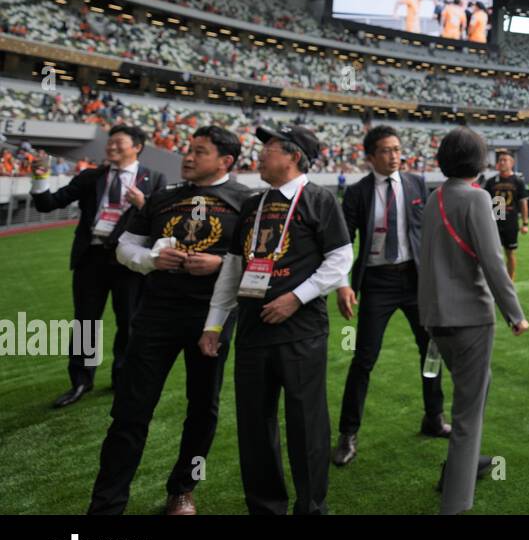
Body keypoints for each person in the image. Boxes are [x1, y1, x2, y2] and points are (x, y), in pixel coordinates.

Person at [90, 126, 252, 514]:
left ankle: (183, 489)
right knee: (130, 409)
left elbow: (265, 260)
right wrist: (151, 260)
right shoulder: (162, 198)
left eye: (200, 151)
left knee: (202, 409)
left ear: (225, 161)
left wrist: (221, 263)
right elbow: (126, 246)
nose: (188, 157)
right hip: (155, 314)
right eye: (188, 149)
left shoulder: (248, 202)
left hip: (210, 319)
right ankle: (107, 502)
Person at [200, 124, 352, 515]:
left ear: (293, 156)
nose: (261, 153)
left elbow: (340, 260)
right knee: (254, 427)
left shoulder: (319, 200)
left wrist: (295, 299)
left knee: (306, 425)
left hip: (300, 333)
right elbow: (233, 268)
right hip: (252, 331)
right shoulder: (253, 204)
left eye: (268, 147)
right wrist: (213, 324)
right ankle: (266, 508)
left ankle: (311, 506)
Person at [418, 127, 529, 514]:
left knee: (476, 391)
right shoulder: (478, 198)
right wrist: (515, 314)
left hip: (436, 318)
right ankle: (456, 502)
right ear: (479, 161)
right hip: (469, 319)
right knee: (467, 415)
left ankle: (460, 468)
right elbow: (493, 262)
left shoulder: (434, 198)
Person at [333, 126, 448, 468]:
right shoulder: (357, 193)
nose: (394, 155)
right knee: (364, 358)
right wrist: (343, 284)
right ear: (370, 156)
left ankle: (433, 417)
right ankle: (348, 433)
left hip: (415, 281)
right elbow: (342, 242)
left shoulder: (415, 184)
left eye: (397, 149)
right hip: (378, 282)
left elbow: (428, 233)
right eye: (385, 150)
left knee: (430, 351)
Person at [31, 124, 167, 407]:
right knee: (85, 322)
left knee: (129, 321)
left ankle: (123, 378)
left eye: (119, 142)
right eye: (110, 142)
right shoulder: (92, 177)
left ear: (137, 147)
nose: (111, 147)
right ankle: (81, 380)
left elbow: (163, 225)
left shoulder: (153, 179)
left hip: (129, 262)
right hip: (90, 260)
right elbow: (48, 203)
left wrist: (143, 204)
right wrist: (40, 175)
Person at [482, 150, 528, 281]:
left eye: (505, 160)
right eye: (500, 160)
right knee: (492, 254)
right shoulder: (491, 182)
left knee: (510, 253)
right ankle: (494, 280)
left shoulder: (518, 181)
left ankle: (510, 281)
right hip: (495, 221)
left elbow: (523, 203)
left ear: (512, 163)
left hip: (511, 222)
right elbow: (485, 202)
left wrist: (525, 223)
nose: (502, 162)